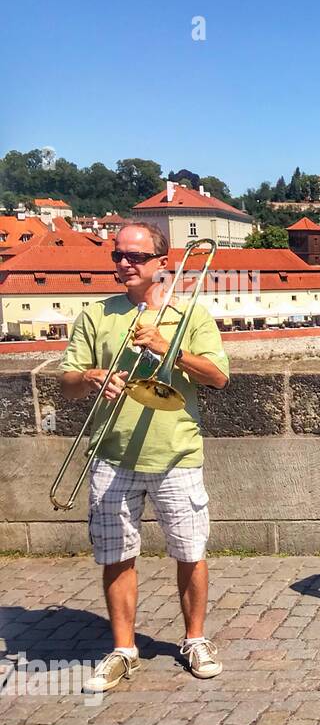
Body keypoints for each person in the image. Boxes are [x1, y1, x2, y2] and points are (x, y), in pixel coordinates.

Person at [60, 222, 230, 691]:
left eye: (135, 257)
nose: (124, 264)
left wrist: (166, 349)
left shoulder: (190, 314)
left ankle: (195, 639)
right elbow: (66, 381)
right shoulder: (96, 316)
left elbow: (218, 377)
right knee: (117, 556)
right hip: (111, 454)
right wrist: (92, 376)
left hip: (176, 455)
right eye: (118, 256)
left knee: (190, 552)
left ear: (161, 263)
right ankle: (123, 649)